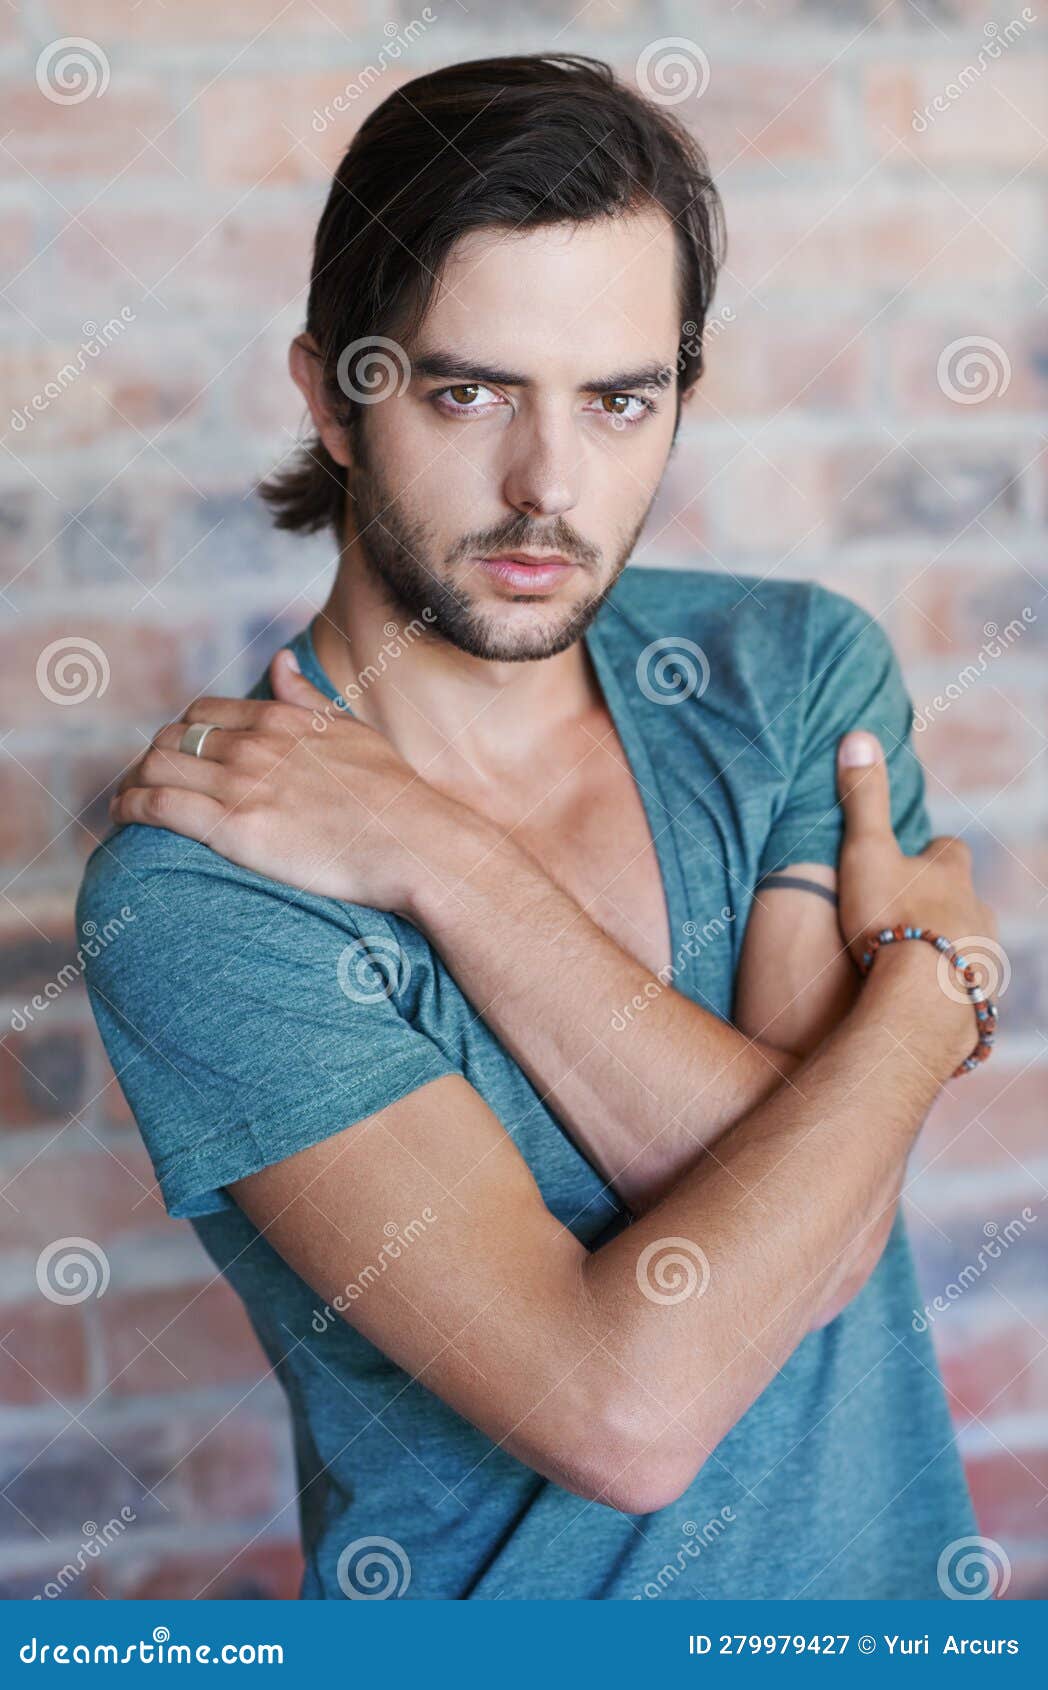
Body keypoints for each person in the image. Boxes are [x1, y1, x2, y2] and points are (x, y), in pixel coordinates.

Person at [77, 55, 993, 1600]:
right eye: (467, 389)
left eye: (620, 399)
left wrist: (436, 852)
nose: (548, 486)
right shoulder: (200, 886)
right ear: (333, 398)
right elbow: (627, 1407)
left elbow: (824, 1243)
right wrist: (926, 988)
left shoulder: (793, 680)